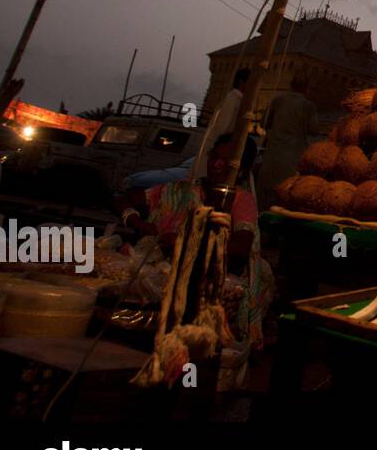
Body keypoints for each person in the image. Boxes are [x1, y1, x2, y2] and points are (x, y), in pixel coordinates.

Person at [117, 133, 273, 352]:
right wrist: (134, 219)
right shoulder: (178, 190)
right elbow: (124, 199)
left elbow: (240, 247)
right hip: (158, 275)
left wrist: (185, 243)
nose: (217, 165)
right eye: (214, 157)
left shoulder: (240, 200)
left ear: (242, 171)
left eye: (226, 162)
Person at [257, 71, 320, 211]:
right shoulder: (308, 106)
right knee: (286, 192)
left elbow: (263, 122)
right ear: (306, 88)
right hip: (293, 156)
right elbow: (314, 129)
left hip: (272, 153)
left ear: (291, 85)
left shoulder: (278, 100)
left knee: (265, 192)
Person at [191, 67, 249, 184]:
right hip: (219, 152)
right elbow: (222, 127)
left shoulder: (234, 99)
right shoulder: (232, 99)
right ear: (242, 82)